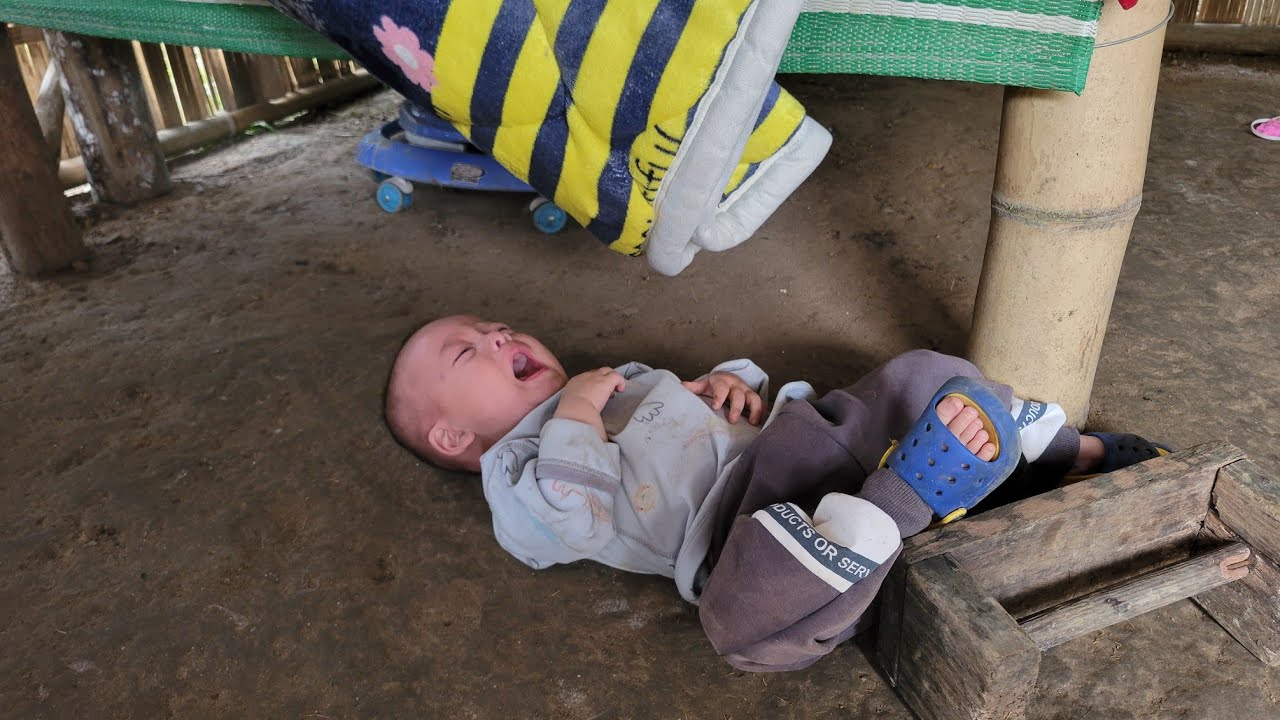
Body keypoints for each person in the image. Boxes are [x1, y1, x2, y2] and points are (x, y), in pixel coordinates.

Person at [384, 315, 1167, 671]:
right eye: (468, 352)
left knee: (915, 376)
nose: (499, 336)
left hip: (793, 449)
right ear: (453, 437)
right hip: (745, 534)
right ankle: (899, 502)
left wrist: (733, 388)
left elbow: (704, 402)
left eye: (495, 326)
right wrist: (580, 410)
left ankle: (1054, 447)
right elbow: (571, 513)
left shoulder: (617, 381)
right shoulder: (512, 479)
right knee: (742, 628)